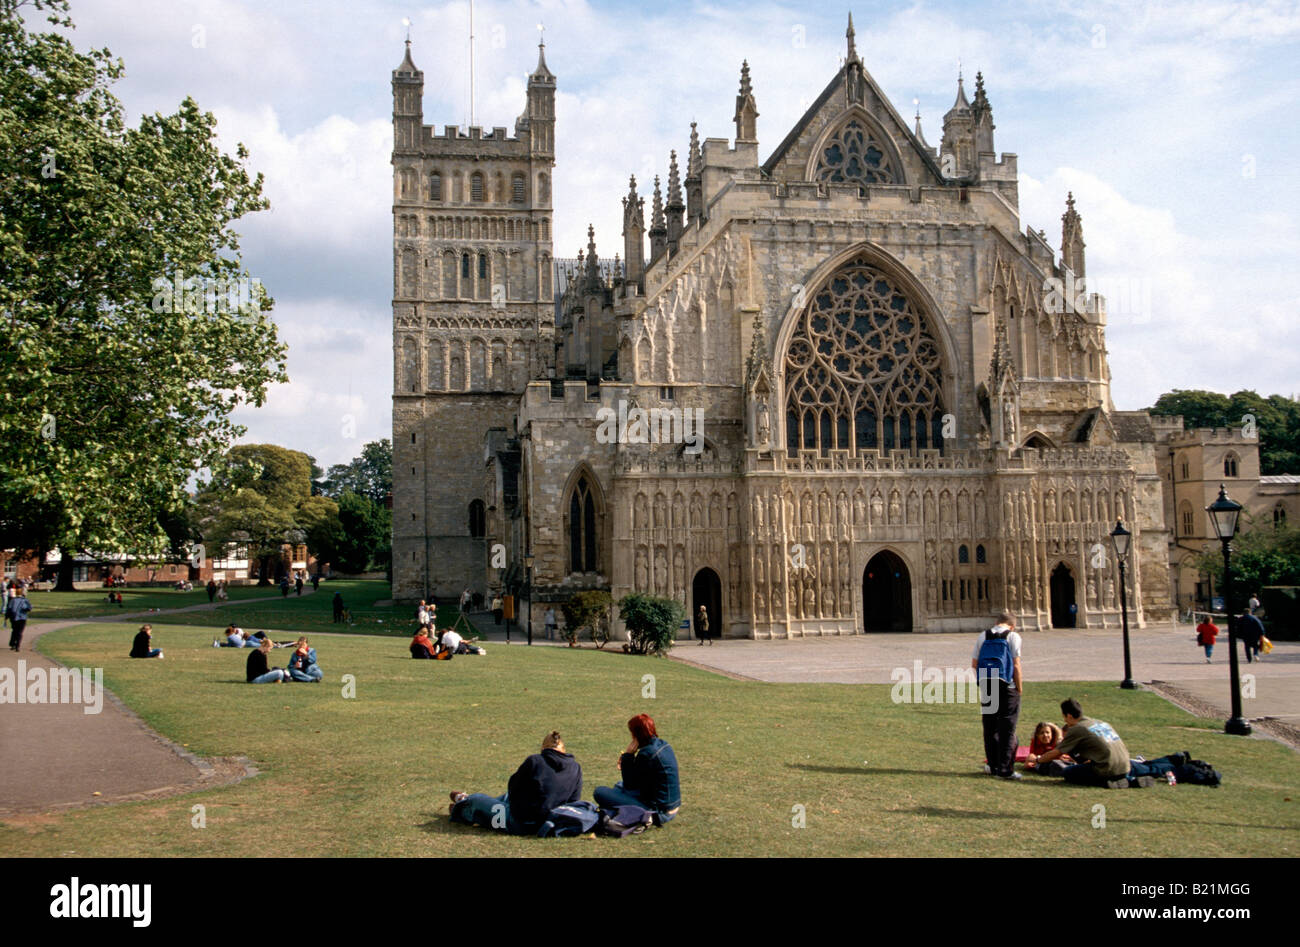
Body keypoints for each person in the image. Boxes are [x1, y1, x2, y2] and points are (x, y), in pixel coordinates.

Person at [449, 731, 582, 835]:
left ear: (543, 748)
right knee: (504, 797)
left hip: (520, 823)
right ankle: (469, 803)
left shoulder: (535, 761)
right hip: (550, 821)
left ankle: (462, 806)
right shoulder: (576, 767)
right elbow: (574, 801)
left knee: (478, 799)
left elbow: (514, 787)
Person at [593, 713, 681, 824]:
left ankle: (642, 815)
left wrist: (628, 756)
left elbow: (631, 785)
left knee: (600, 792)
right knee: (619, 785)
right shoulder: (663, 744)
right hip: (672, 805)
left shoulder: (646, 754)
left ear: (636, 734)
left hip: (659, 812)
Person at [1029, 698, 1135, 788]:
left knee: (1068, 772)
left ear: (1069, 716)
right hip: (1126, 766)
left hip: (1106, 769)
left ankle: (1106, 782)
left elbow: (1057, 752)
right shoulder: (1100, 722)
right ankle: (1131, 779)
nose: (1065, 721)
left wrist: (1038, 759)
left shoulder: (1078, 728)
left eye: (1064, 718)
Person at [972, 610, 1023, 781]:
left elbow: (974, 663)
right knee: (1007, 727)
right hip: (1007, 686)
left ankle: (992, 765)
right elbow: (1016, 665)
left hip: (987, 684)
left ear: (996, 622)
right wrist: (1019, 688)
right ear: (1012, 625)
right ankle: (1005, 770)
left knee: (990, 725)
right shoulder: (1013, 636)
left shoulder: (983, 636)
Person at [6, 586, 32, 652]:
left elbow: (9, 609)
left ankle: (12, 644)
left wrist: (7, 617)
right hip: (22, 618)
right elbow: (29, 608)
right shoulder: (25, 600)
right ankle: (18, 645)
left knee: (14, 631)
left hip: (14, 618)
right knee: (20, 632)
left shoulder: (13, 600)